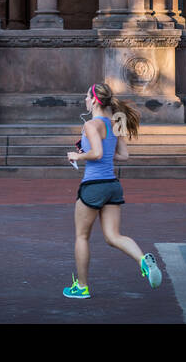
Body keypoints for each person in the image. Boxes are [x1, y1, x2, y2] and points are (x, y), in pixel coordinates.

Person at [64, 83, 162, 298]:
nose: (85, 101)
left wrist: (77, 155)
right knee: (113, 236)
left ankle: (81, 287)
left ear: (95, 100)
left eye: (86, 97)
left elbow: (97, 154)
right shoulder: (116, 121)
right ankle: (143, 260)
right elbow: (123, 155)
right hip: (112, 186)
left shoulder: (91, 124)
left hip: (93, 186)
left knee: (81, 237)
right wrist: (90, 150)